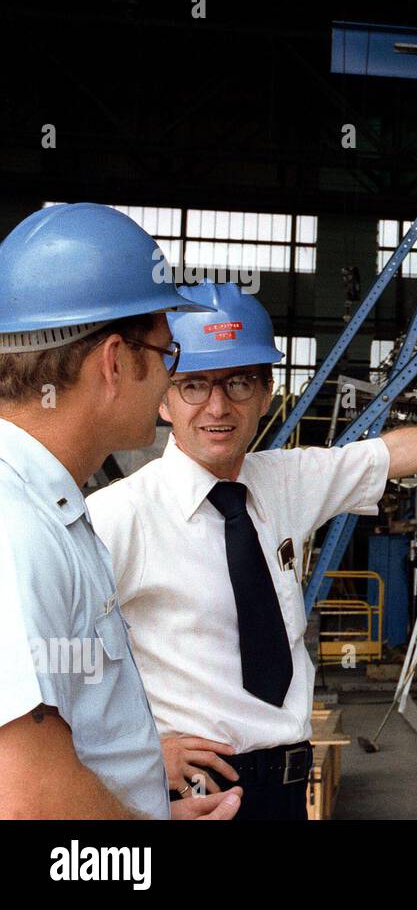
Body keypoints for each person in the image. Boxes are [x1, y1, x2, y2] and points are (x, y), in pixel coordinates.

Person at [87, 281, 417, 819]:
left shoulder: (285, 482)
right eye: (194, 386)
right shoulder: (119, 516)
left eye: (239, 383)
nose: (217, 407)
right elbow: (48, 659)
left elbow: (391, 454)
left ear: (269, 390)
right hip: (195, 792)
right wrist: (133, 754)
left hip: (290, 780)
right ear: (163, 397)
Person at [0, 203, 241, 819]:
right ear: (113, 361)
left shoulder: (50, 507)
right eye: (167, 355)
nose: (169, 379)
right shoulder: (16, 528)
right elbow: (28, 799)